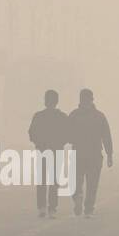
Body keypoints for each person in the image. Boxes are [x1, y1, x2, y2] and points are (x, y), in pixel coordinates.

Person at [66, 89, 113, 218]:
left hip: (78, 154)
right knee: (92, 184)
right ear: (92, 99)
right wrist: (110, 155)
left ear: (80, 100)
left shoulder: (74, 115)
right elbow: (106, 136)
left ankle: (77, 197)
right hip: (95, 155)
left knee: (75, 181)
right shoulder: (99, 116)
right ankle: (88, 210)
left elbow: (67, 135)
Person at [28, 90, 69, 218]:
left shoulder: (38, 116)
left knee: (42, 180)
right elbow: (68, 133)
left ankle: (42, 207)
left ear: (45, 101)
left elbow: (31, 133)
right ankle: (52, 208)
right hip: (57, 151)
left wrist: (38, 143)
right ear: (57, 101)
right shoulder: (62, 116)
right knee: (54, 181)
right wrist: (60, 143)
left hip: (42, 151)